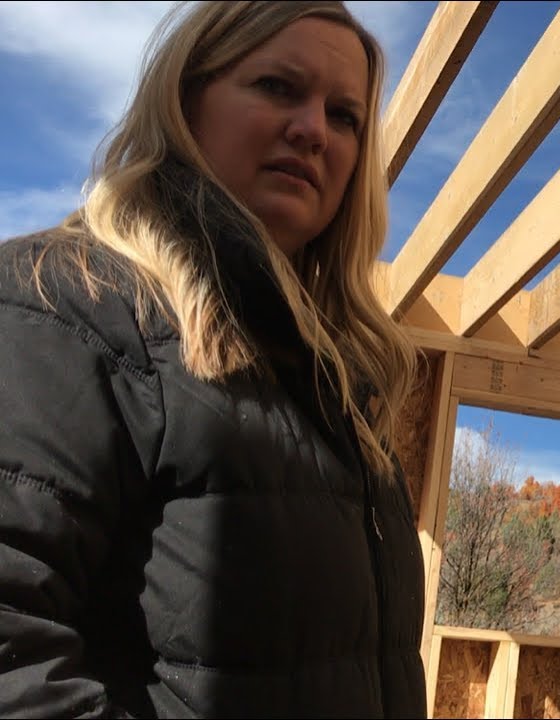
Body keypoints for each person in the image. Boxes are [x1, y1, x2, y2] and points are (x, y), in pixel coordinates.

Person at [0, 2, 426, 716]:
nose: (314, 130)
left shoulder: (333, 388)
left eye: (345, 116)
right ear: (185, 98)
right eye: (277, 87)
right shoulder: (61, 302)